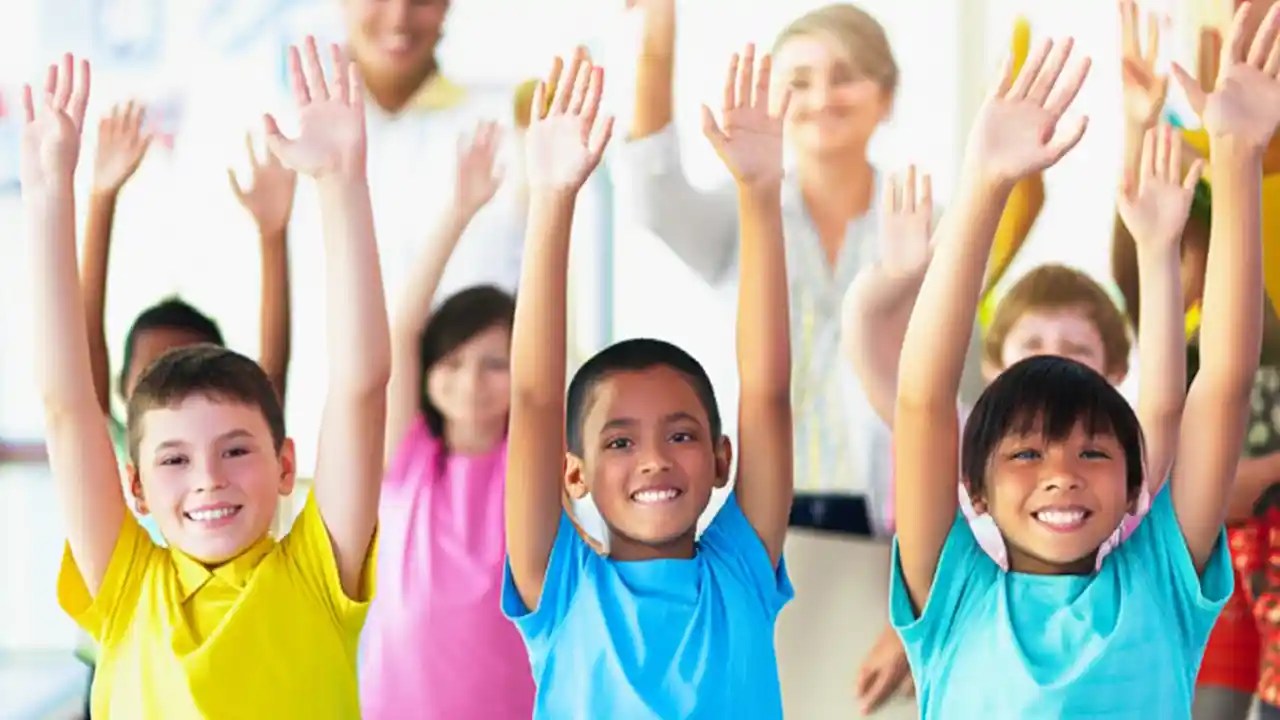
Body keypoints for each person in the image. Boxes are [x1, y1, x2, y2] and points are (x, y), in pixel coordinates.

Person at [891, 7, 1277, 713]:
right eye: (1027, 456)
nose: (1062, 475)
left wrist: (1238, 157)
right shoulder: (952, 594)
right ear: (973, 489)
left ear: (1137, 485)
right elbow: (919, 399)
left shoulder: (1160, 577)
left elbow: (1219, 385)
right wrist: (984, 184)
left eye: (1094, 454)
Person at [27, 39, 388, 715]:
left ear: (285, 463)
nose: (208, 478)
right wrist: (52, 193)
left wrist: (342, 186)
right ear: (133, 485)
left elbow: (362, 387)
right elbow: (66, 408)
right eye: (174, 458)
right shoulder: (127, 581)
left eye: (235, 449)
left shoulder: (317, 571)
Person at [502, 47, 794, 717]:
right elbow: (535, 399)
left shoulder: (740, 573)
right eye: (620, 443)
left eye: (682, 434)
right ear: (572, 474)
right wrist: (553, 199)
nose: (656, 459)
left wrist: (759, 194)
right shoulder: (561, 583)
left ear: (722, 459)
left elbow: (768, 391)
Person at [358, 121, 535, 719]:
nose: (472, 382)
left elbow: (542, 355)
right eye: (454, 362)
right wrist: (460, 210)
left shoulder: (530, 463)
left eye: (494, 364)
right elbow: (403, 329)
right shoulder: (408, 462)